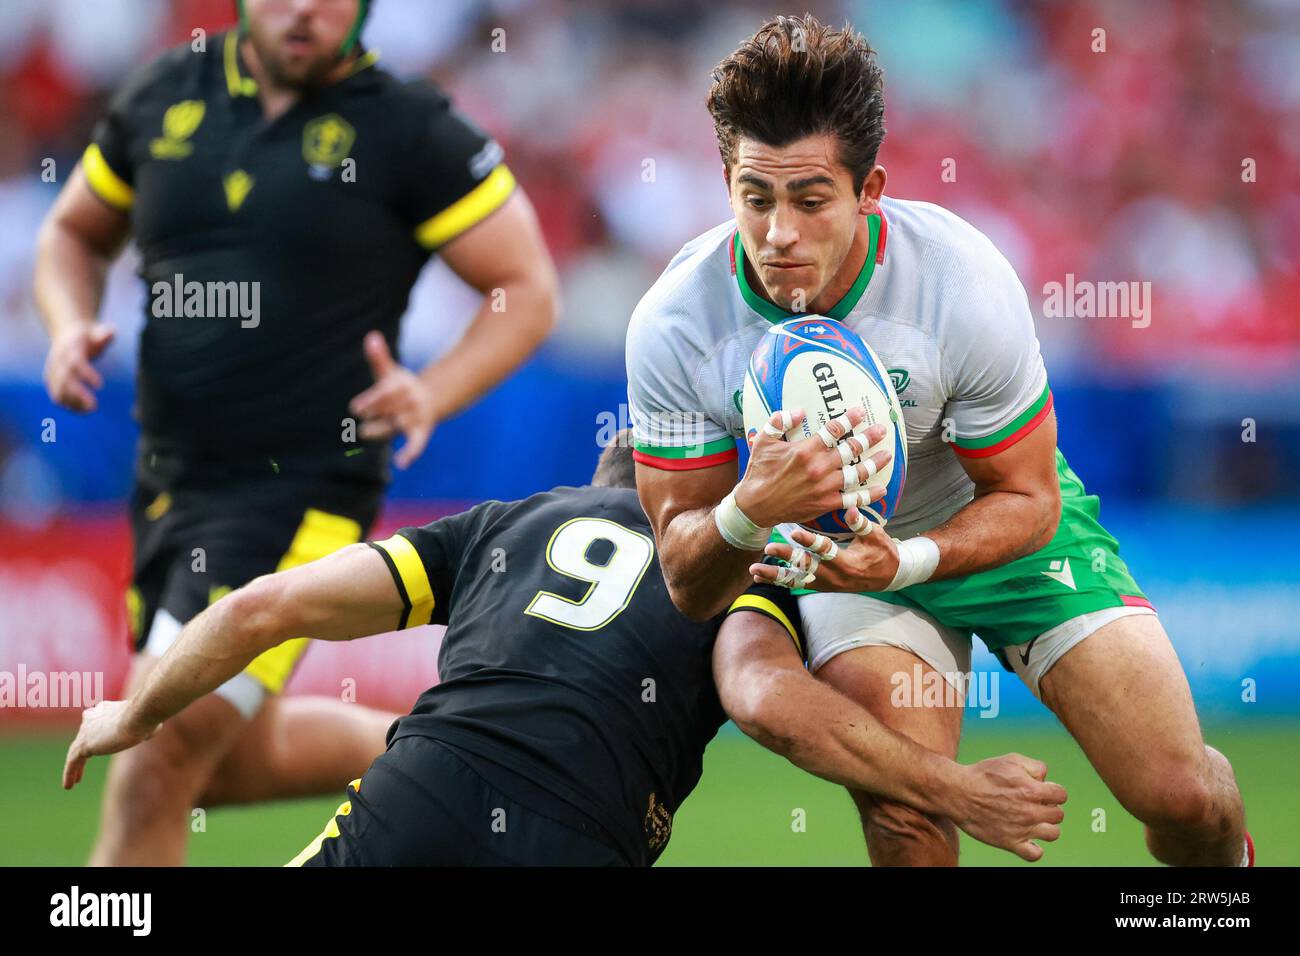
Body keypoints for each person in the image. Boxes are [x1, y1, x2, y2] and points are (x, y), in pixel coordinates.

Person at [625, 14, 1249, 866]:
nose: (779, 234)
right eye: (755, 197)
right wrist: (749, 510)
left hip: (992, 521)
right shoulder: (673, 322)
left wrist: (910, 558)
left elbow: (1028, 496)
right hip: (842, 557)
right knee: (907, 828)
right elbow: (689, 580)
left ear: (869, 190)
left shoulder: (960, 281)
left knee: (1185, 798)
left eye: (811, 201)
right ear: (725, 179)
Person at [35, 0, 558, 865]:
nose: (306, 9)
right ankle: (458, 755)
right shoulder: (166, 92)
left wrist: (430, 392)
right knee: (219, 761)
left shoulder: (409, 125)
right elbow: (72, 234)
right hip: (170, 487)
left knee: (156, 756)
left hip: (302, 488)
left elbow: (526, 288)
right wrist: (64, 324)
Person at [64, 432, 1068, 866]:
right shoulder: (733, 569)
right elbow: (771, 705)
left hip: (428, 788)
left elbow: (261, 608)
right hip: (587, 837)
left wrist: (134, 711)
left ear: (595, 468)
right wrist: (954, 789)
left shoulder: (504, 521)